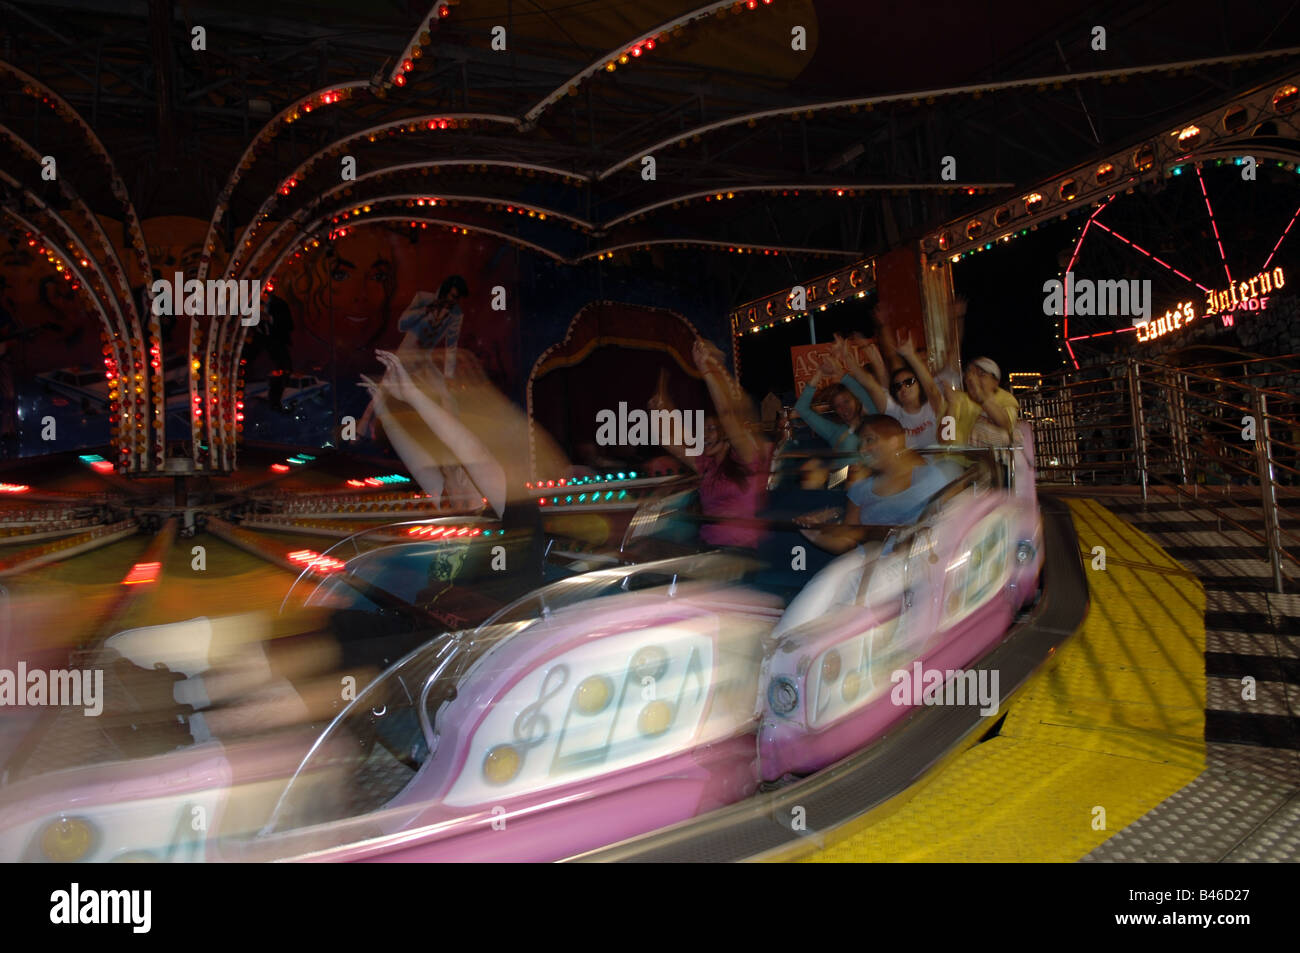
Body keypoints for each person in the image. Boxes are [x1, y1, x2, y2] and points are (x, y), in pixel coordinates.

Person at [650, 341, 772, 551]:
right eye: (703, 430)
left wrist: (706, 370)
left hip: (742, 551)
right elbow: (666, 440)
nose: (705, 435)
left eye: (712, 430)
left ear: (726, 434)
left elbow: (726, 413)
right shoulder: (705, 464)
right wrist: (659, 411)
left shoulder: (745, 456)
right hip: (708, 548)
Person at [795, 415, 952, 555]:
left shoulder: (930, 478)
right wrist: (813, 532)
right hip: (868, 561)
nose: (863, 450)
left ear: (894, 442)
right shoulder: (860, 487)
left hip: (914, 560)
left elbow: (946, 530)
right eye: (860, 444)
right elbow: (847, 540)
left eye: (870, 440)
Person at [834, 328, 945, 448]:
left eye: (909, 382)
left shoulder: (932, 406)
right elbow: (870, 385)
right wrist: (846, 357)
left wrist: (910, 355)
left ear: (919, 385)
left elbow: (932, 388)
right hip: (910, 465)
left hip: (939, 463)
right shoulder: (894, 411)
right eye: (898, 386)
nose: (903, 387)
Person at [944, 357, 1019, 447]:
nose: (974, 379)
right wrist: (951, 406)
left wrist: (981, 398)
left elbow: (1006, 425)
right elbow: (946, 438)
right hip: (958, 458)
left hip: (993, 459)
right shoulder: (957, 398)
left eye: (981, 374)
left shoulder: (1006, 399)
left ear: (995, 382)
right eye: (971, 373)